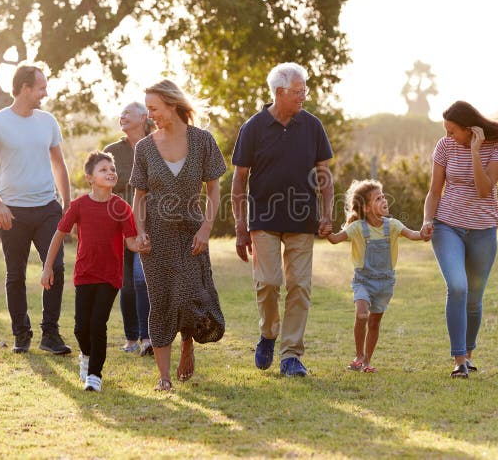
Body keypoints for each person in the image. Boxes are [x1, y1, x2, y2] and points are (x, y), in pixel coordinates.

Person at [231, 62, 334, 377]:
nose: (303, 96)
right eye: (298, 91)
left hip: (303, 219)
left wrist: (328, 213)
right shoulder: (253, 127)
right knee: (269, 283)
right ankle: (268, 333)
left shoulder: (312, 126)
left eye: (304, 90)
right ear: (279, 92)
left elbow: (324, 174)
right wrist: (240, 227)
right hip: (263, 217)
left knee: (299, 287)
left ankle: (291, 355)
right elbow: (239, 181)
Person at [419, 100, 498, 378]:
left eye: (453, 131)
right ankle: (458, 361)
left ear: (470, 130)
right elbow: (434, 191)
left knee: (474, 298)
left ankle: (467, 355)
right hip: (447, 227)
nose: (448, 136)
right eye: (445, 130)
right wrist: (427, 220)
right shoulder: (444, 147)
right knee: (457, 287)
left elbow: (483, 190)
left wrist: (476, 152)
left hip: (483, 230)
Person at [130, 79, 227, 392]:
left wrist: (206, 228)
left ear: (173, 105)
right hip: (155, 237)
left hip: (191, 232)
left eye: (154, 109)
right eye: (147, 110)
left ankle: (187, 342)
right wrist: (139, 231)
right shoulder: (144, 147)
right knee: (160, 301)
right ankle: (164, 377)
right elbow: (139, 195)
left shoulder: (202, 141)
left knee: (188, 296)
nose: (150, 116)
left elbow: (214, 189)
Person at [0, 62, 72, 355]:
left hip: (47, 209)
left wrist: (67, 206)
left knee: (54, 267)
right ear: (25, 88)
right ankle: (21, 334)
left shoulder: (47, 121)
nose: (45, 92)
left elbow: (59, 164)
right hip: (12, 212)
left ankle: (50, 335)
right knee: (15, 274)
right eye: (41, 87)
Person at [40, 151, 148, 392]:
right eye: (103, 169)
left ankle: (94, 376)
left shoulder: (121, 206)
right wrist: (48, 267)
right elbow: (59, 234)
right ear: (89, 177)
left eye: (112, 169)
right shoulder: (79, 205)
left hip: (110, 276)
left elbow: (130, 243)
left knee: (98, 323)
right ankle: (86, 356)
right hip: (85, 274)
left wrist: (142, 243)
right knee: (81, 327)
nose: (110, 172)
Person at [324, 180, 423, 373]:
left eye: (383, 196)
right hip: (363, 281)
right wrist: (325, 231)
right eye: (378, 198)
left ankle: (367, 361)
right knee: (362, 314)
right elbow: (335, 239)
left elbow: (414, 235)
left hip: (385, 283)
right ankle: (358, 355)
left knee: (375, 322)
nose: (384, 200)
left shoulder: (393, 225)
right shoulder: (357, 228)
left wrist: (426, 232)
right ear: (366, 207)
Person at [103, 102, 155, 357]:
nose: (121, 116)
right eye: (120, 112)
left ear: (143, 117)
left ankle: (148, 337)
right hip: (118, 225)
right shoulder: (112, 151)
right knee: (126, 283)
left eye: (127, 113)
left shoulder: (158, 145)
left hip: (148, 224)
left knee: (142, 279)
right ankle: (131, 337)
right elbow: (103, 184)